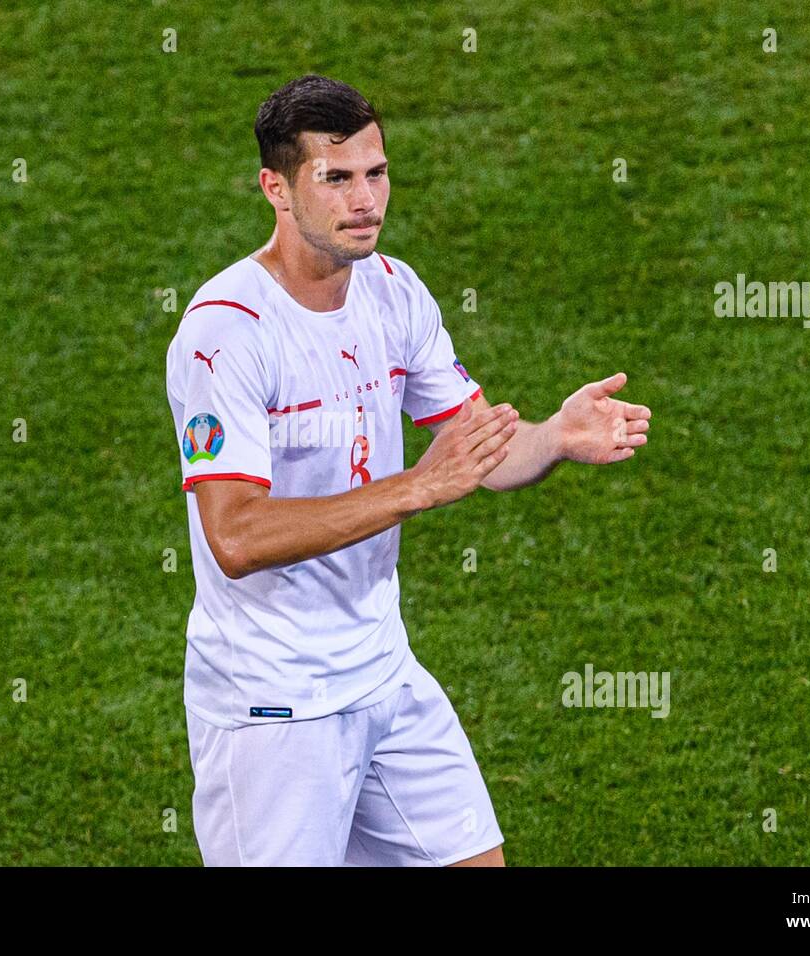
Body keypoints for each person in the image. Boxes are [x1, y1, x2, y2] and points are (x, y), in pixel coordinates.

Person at [165, 74, 652, 866]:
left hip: (385, 677)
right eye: (337, 178)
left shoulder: (393, 292)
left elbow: (478, 451)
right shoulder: (227, 334)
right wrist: (419, 486)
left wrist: (553, 437)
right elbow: (236, 535)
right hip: (275, 710)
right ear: (276, 189)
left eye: (377, 173)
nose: (366, 200)